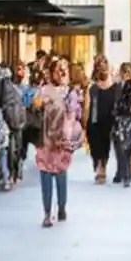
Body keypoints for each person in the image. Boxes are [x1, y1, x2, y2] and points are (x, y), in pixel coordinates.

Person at [34, 57, 77, 227]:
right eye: (58, 70)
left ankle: (61, 207)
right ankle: (47, 213)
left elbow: (72, 115)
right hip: (45, 140)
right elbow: (35, 107)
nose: (61, 73)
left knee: (60, 175)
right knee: (45, 174)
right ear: (51, 72)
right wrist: (40, 102)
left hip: (61, 140)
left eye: (63, 70)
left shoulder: (69, 92)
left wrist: (66, 136)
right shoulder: (43, 90)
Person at [88, 55, 119, 184]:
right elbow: (87, 106)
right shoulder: (93, 87)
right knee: (96, 146)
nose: (103, 71)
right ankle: (99, 167)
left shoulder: (115, 87)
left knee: (105, 146)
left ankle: (102, 168)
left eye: (105, 68)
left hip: (110, 121)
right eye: (100, 69)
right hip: (94, 121)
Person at [112, 63, 131, 187]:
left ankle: (130, 173)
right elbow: (117, 102)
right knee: (122, 147)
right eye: (124, 72)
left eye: (129, 71)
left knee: (129, 147)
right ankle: (124, 173)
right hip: (121, 119)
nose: (127, 74)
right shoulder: (120, 86)